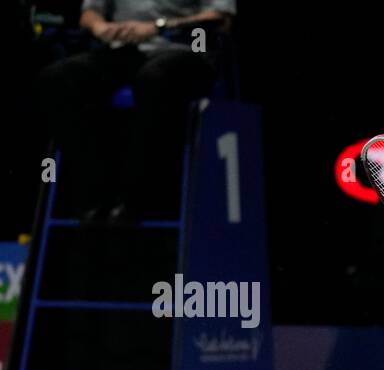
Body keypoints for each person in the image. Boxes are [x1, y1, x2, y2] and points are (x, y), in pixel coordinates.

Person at [34, 0, 235, 222]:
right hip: (124, 50)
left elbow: (220, 18)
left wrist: (159, 26)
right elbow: (90, 14)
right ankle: (94, 196)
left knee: (154, 79)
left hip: (186, 49)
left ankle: (136, 200)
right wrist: (101, 27)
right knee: (58, 79)